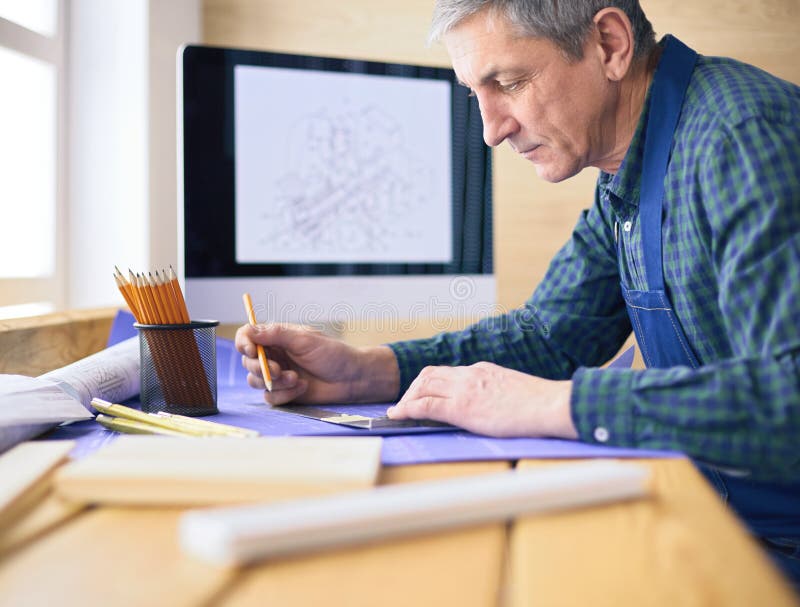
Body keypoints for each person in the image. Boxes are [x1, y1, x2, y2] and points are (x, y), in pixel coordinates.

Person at [236, 0, 800, 588]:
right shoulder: (626, 172)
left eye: (508, 82)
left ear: (609, 44)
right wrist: (366, 373)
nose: (490, 130)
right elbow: (551, 335)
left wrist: (555, 405)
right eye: (475, 93)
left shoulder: (742, 140)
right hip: (718, 520)